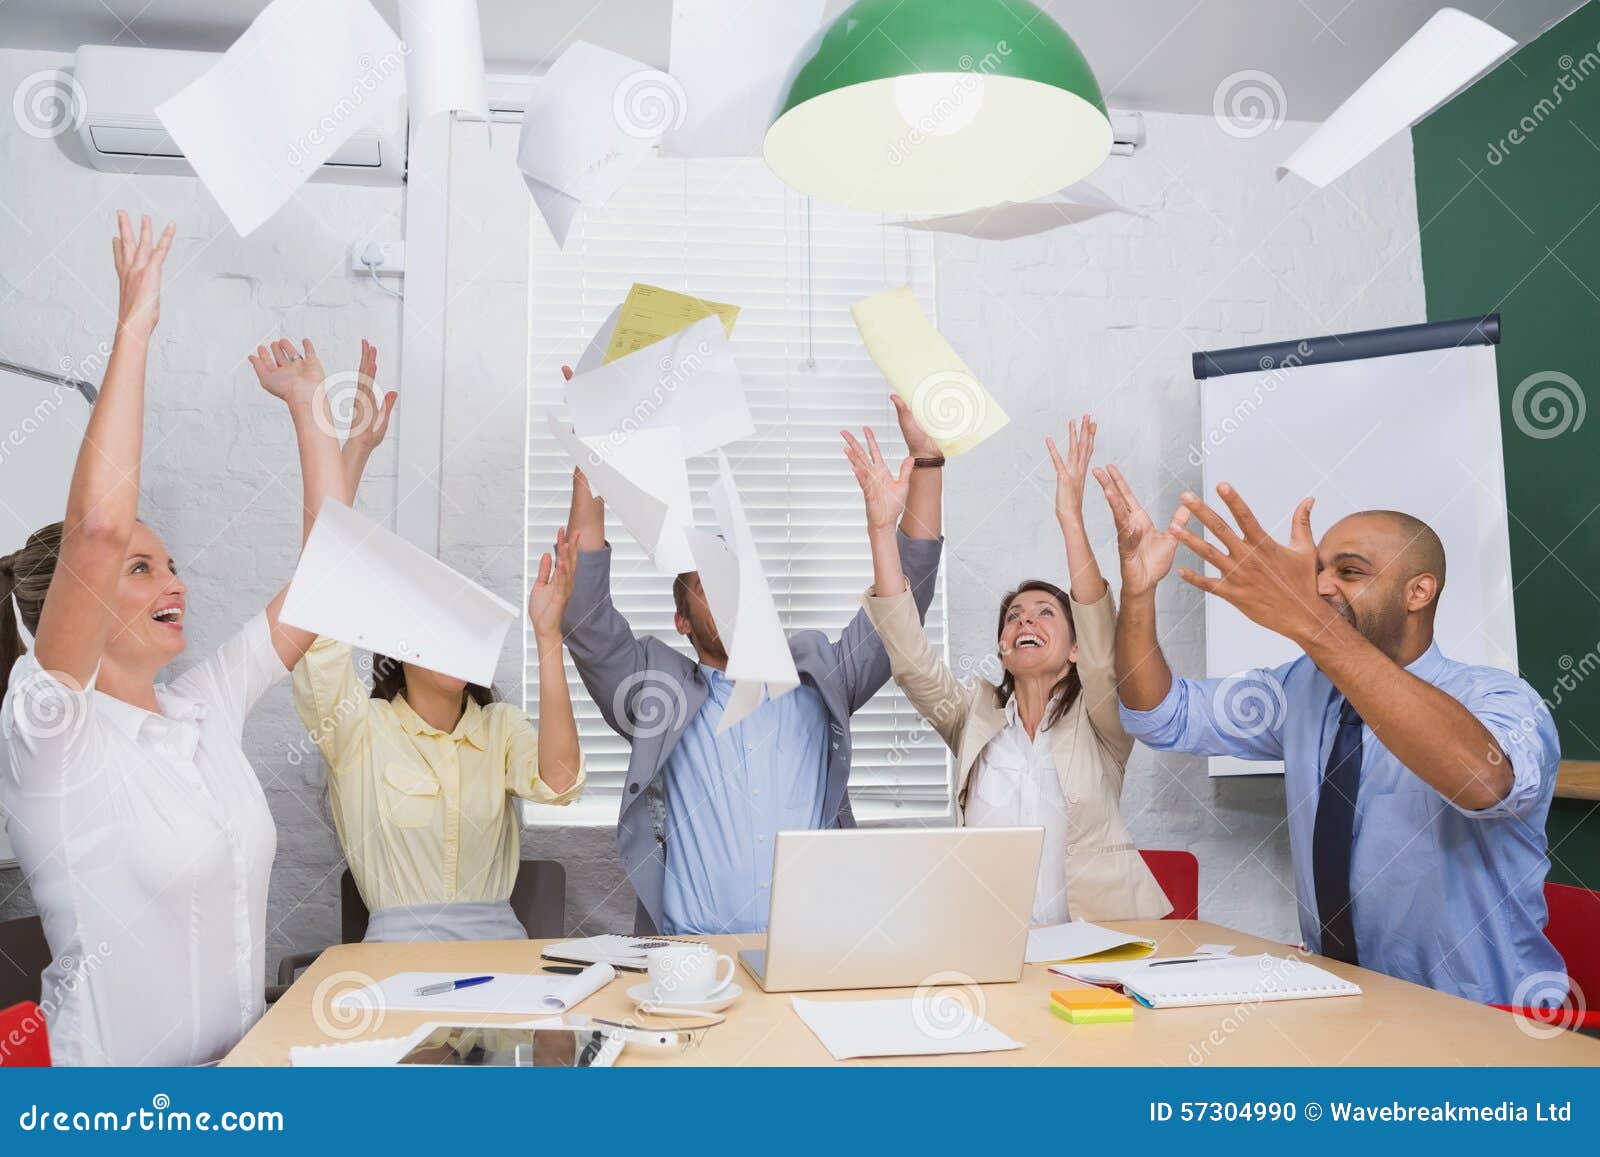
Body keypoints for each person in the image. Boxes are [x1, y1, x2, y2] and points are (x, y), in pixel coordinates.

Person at [0, 214, 358, 1065]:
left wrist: (311, 414)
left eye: (172, 563)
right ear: (71, 609)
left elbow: (328, 582)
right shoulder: (47, 738)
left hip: (232, 1093)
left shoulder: (201, 710)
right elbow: (94, 527)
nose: (175, 583)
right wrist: (136, 326)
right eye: (141, 569)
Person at [1097, 466, 1562, 1005]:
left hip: (1485, 1026)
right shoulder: (1305, 690)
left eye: (1350, 572)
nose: (1319, 587)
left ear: (1418, 592)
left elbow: (1481, 782)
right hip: (1343, 1003)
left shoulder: (1502, 700)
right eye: (1319, 571)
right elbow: (1162, 714)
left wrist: (1308, 624)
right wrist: (1138, 593)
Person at [561, 382, 944, 935]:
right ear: (682, 623)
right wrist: (591, 461)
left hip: (812, 949)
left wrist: (927, 462)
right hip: (693, 961)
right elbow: (587, 621)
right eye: (708, 584)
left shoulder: (819, 678)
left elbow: (906, 604)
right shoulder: (659, 693)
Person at [290, 379, 585, 941]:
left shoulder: (499, 728)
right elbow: (320, 594)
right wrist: (351, 455)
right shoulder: (359, 729)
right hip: (394, 958)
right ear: (399, 648)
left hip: (499, 954)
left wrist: (549, 635)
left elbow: (561, 783)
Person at [852, 416, 1168, 923]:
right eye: (1014, 616)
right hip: (989, 946)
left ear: (1073, 649)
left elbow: (1104, 649)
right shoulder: (972, 717)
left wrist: (1070, 517)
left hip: (1095, 946)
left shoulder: (1102, 721)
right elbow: (909, 658)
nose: (1026, 619)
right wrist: (881, 531)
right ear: (1002, 648)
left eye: (1046, 613)